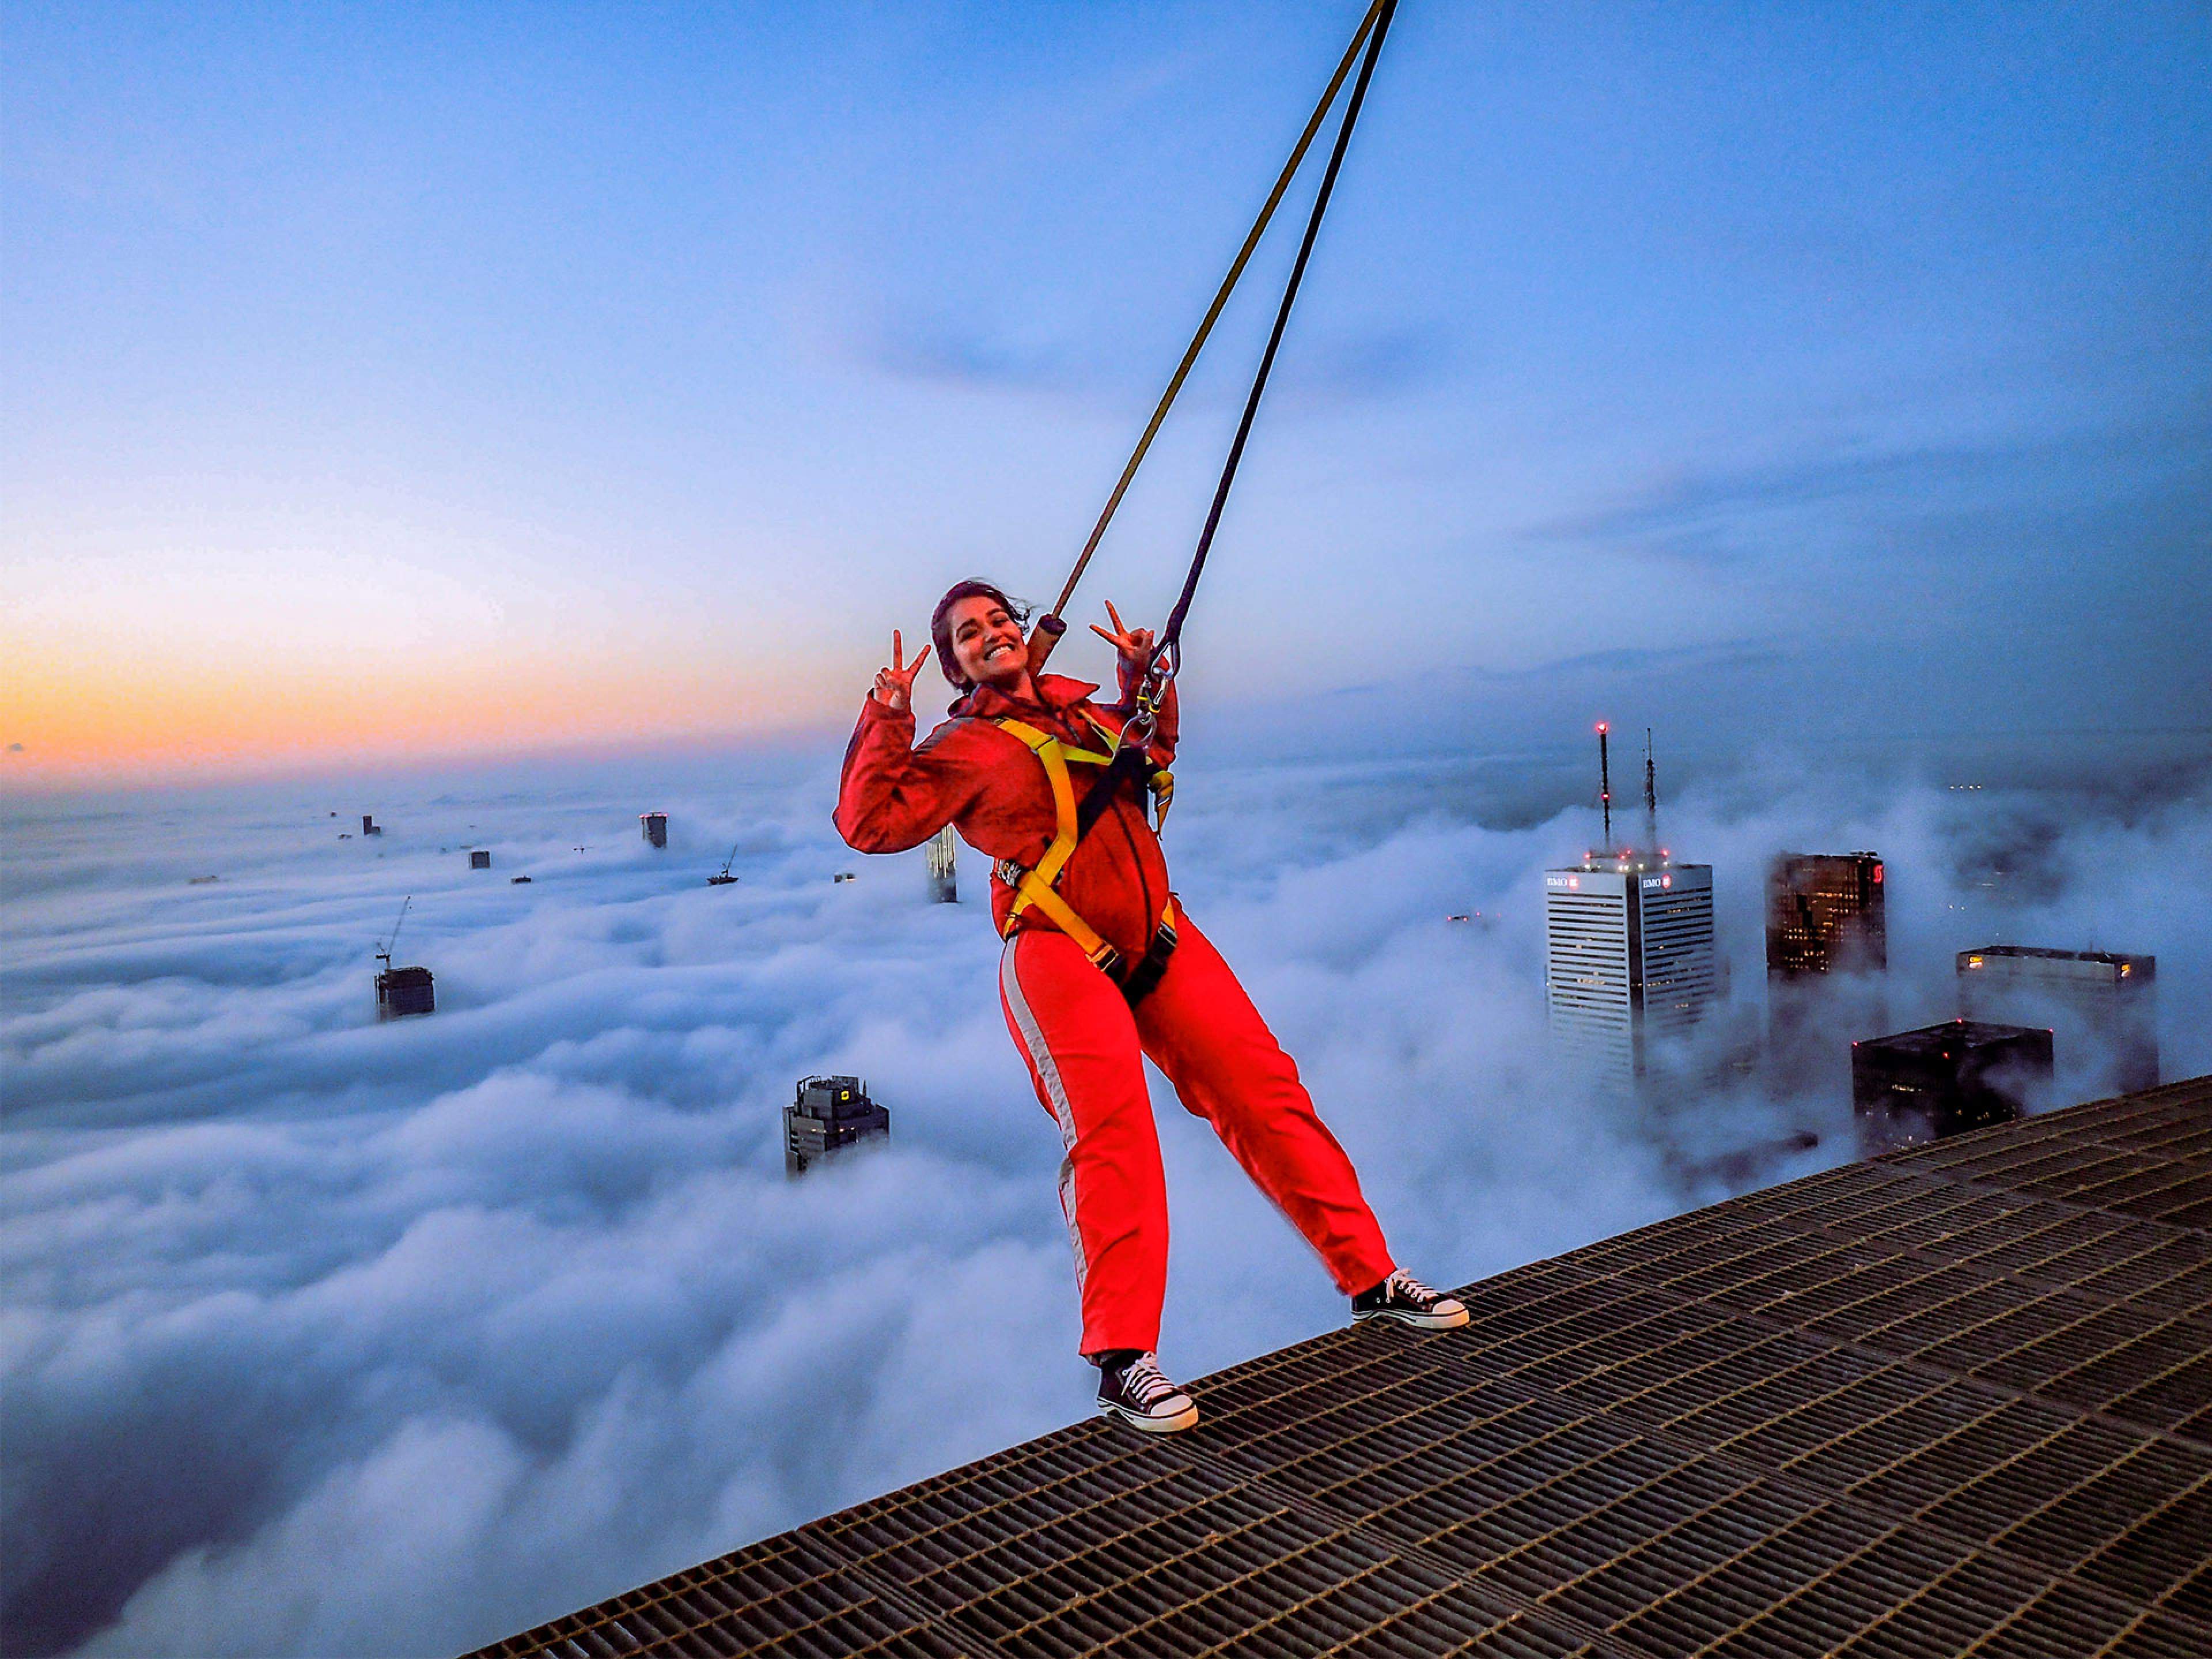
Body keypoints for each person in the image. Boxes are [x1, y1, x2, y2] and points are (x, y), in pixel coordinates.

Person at [835, 578, 1465, 1433]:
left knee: (1265, 1095)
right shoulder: (965, 746)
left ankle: (1371, 1278)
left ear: (1020, 633)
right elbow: (871, 820)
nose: (988, 636)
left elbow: (1154, 754)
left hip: (1157, 936)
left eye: (995, 622)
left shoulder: (1092, 720)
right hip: (1055, 950)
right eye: (967, 635)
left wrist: (1141, 683)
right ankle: (1124, 1359)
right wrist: (887, 715)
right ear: (954, 665)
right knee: (1114, 1133)